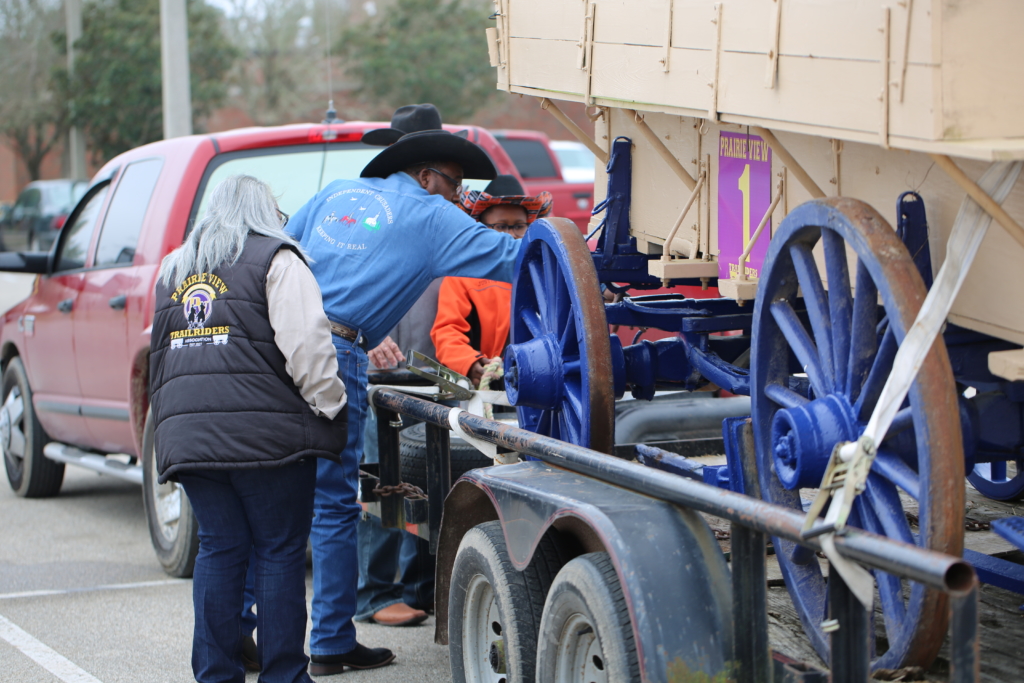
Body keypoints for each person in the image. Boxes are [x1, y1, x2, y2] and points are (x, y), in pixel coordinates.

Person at [285, 124, 522, 675]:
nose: (461, 201)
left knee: (272, 493)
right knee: (333, 504)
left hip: (278, 342)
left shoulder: (335, 193)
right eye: (456, 186)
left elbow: (281, 256)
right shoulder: (431, 215)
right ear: (426, 176)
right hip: (335, 353)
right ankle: (329, 643)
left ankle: (251, 629)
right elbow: (514, 258)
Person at [149, 175, 352, 683]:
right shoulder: (277, 260)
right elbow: (307, 347)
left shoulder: (174, 270)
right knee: (279, 550)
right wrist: (330, 407)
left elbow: (159, 361)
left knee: (220, 548)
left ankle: (216, 674)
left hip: (191, 439)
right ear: (266, 213)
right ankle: (284, 674)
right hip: (268, 443)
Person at [432, 175, 552, 386]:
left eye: (519, 226)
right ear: (482, 229)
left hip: (545, 379)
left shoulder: (548, 273)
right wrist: (469, 362)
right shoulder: (462, 277)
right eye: (501, 226)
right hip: (488, 380)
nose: (511, 235)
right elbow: (447, 330)